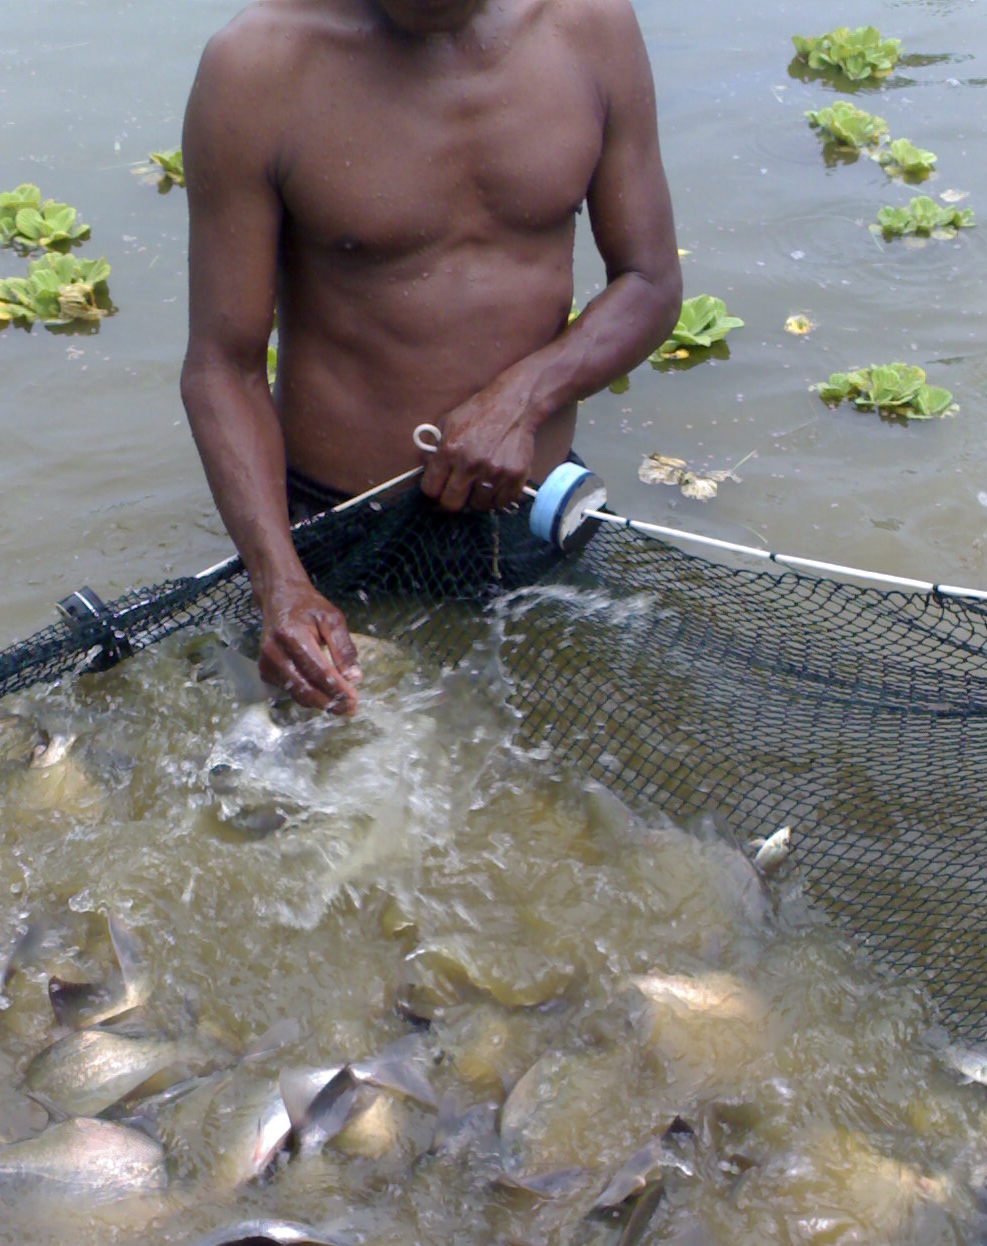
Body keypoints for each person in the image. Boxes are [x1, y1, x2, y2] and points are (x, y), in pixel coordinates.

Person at [179, 0, 682, 713]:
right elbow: (221, 366)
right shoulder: (259, 67)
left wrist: (525, 399)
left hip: (533, 518)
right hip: (337, 540)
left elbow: (651, 282)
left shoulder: (589, 25)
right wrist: (281, 584)